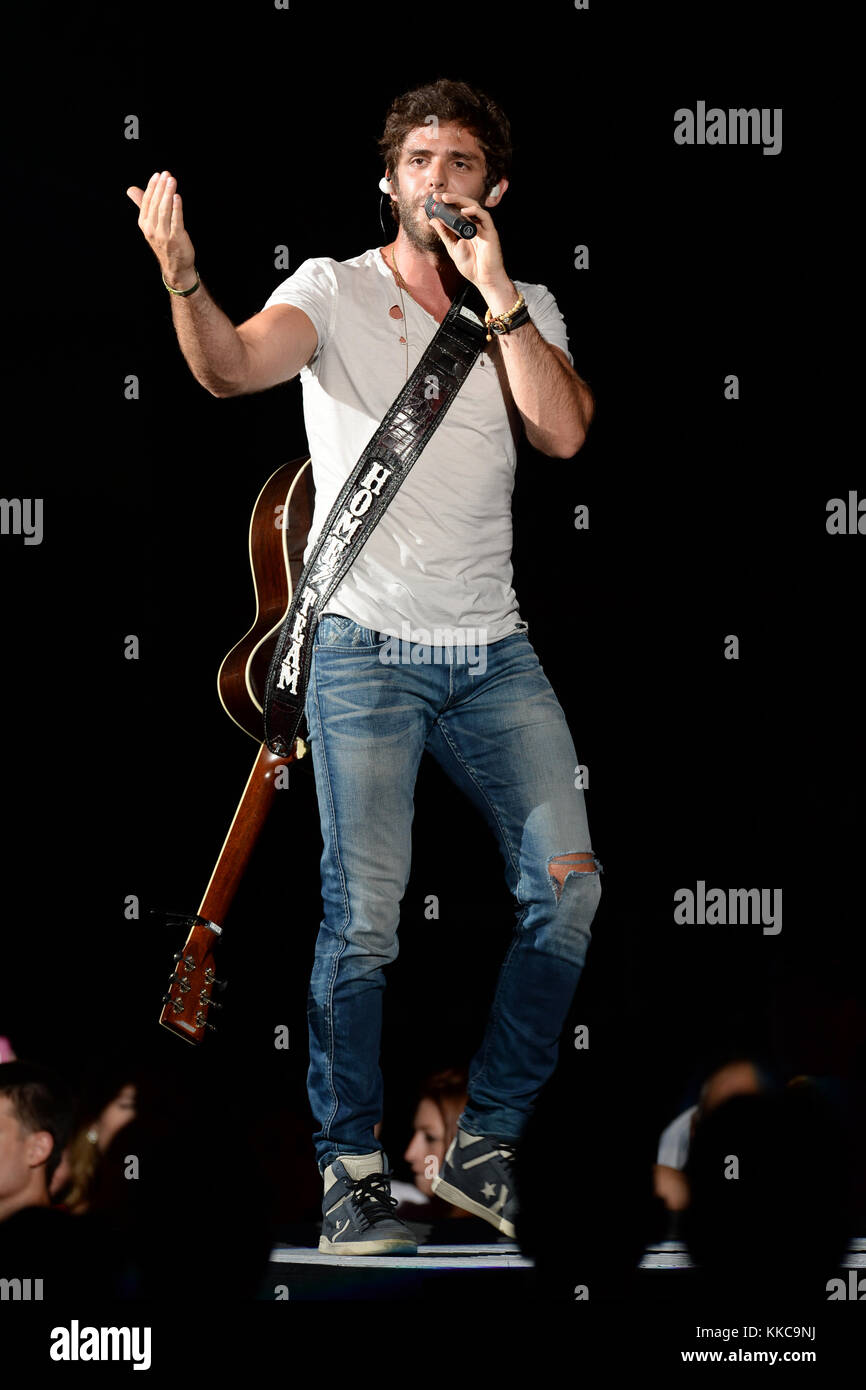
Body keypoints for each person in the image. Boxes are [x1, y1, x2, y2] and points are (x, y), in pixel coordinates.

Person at [128, 77, 602, 1256]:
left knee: (571, 888)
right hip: (363, 652)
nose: (438, 180)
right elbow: (230, 367)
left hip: (492, 651)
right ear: (387, 181)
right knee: (365, 917)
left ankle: (484, 1141)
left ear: (492, 191)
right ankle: (348, 1168)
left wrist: (495, 295)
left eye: (461, 164)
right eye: (419, 161)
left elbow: (563, 431)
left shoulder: (523, 302)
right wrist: (184, 276)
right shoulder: (332, 289)